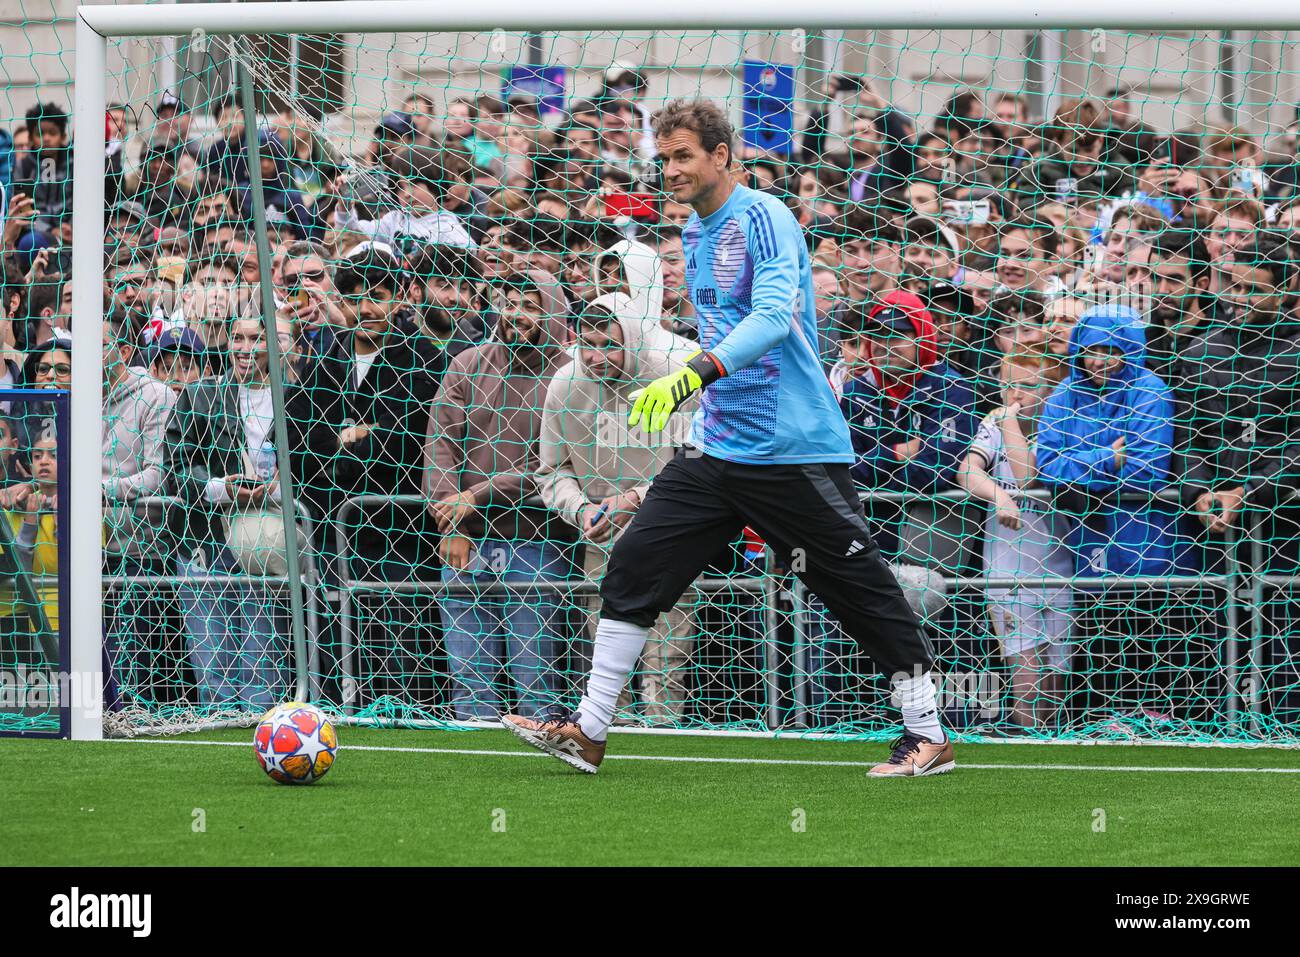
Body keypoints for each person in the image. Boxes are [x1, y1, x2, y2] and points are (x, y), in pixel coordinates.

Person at [502, 98, 953, 778]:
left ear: (722, 155)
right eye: (665, 158)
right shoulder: (697, 234)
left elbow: (775, 317)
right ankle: (590, 729)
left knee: (858, 587)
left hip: (790, 447)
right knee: (634, 564)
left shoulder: (764, 216)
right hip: (717, 449)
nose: (672, 169)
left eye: (684, 155)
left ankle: (928, 734)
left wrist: (689, 378)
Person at [537, 292, 700, 722]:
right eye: (586, 344)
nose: (595, 356)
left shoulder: (673, 376)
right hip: (601, 538)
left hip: (671, 535)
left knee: (666, 657)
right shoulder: (565, 383)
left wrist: (636, 498)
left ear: (630, 337)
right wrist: (579, 510)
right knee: (607, 657)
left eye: (608, 343)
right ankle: (606, 732)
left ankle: (663, 737)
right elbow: (552, 470)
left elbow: (700, 459)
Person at [425, 269, 574, 720]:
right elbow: (439, 442)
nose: (517, 314)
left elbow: (557, 464)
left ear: (552, 310)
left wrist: (479, 495)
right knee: (469, 684)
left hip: (535, 540)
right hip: (461, 542)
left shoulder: (570, 373)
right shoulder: (467, 363)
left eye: (529, 305)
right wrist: (452, 520)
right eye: (510, 303)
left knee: (536, 680)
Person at [163, 314, 297, 710]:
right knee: (212, 654)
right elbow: (174, 465)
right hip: (204, 538)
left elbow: (316, 462)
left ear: (276, 343)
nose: (243, 347)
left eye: (255, 338)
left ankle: (267, 720)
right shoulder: (199, 395)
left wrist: (279, 490)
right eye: (237, 337)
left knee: (262, 654)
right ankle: (215, 724)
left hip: (269, 541)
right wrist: (223, 489)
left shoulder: (297, 397)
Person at [956, 350, 1074, 730]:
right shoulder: (993, 422)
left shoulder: (1059, 422)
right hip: (1007, 563)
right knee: (1023, 656)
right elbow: (967, 471)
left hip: (1058, 559)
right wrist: (998, 495)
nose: (1015, 395)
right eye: (1008, 385)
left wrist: (1009, 423)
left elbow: (1027, 477)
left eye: (1027, 386)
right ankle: (1028, 735)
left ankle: (1052, 736)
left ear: (1051, 388)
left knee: (1056, 662)